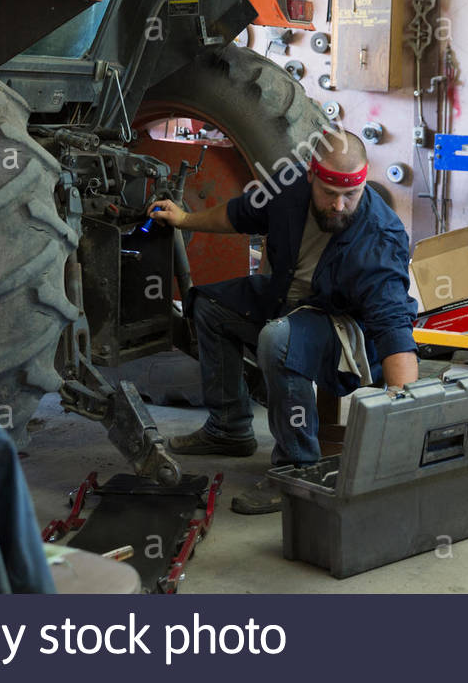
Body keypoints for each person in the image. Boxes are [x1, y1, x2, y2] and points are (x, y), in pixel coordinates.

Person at [146, 130, 419, 515]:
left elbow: (393, 328)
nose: (339, 205)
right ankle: (228, 428)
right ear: (311, 174)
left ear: (364, 179)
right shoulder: (286, 186)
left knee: (279, 339)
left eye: (351, 195)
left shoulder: (380, 236)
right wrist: (186, 217)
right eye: (329, 192)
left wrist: (406, 417)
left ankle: (298, 470)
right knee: (208, 305)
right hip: (285, 298)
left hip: (340, 325)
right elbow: (239, 214)